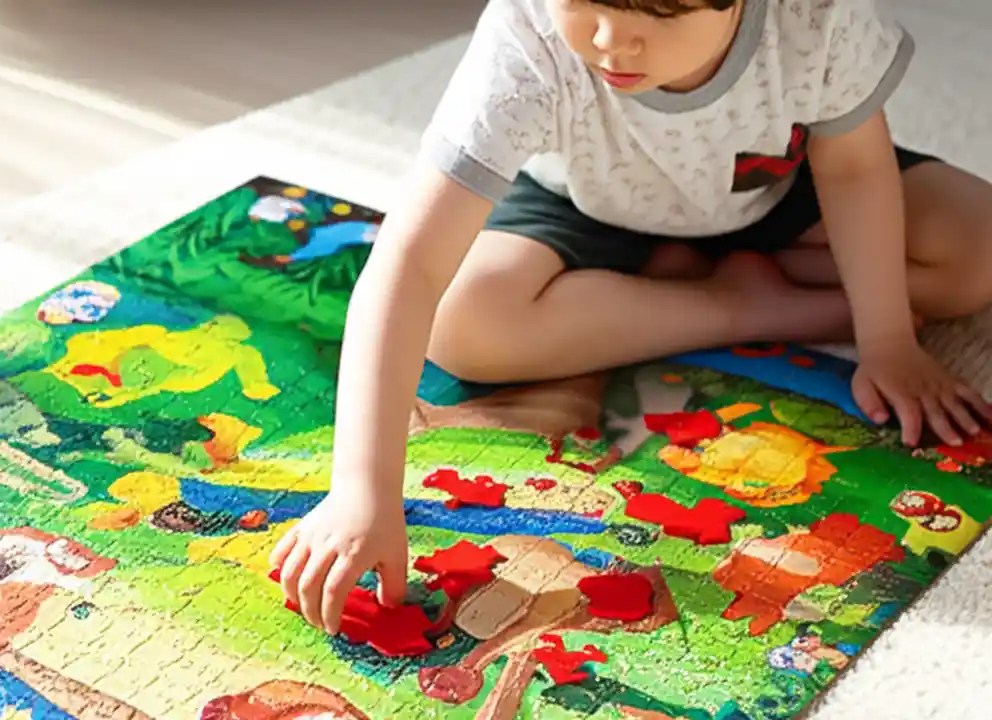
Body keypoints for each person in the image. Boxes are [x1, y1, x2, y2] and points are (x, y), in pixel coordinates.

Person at [269, 0, 992, 635]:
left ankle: (666, 291)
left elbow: (856, 171)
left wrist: (887, 339)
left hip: (774, 193)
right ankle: (742, 304)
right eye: (584, 0)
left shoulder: (816, 15)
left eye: (662, 11)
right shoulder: (528, 34)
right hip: (585, 206)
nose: (612, 41)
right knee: (462, 327)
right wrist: (361, 488)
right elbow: (409, 263)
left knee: (977, 253)